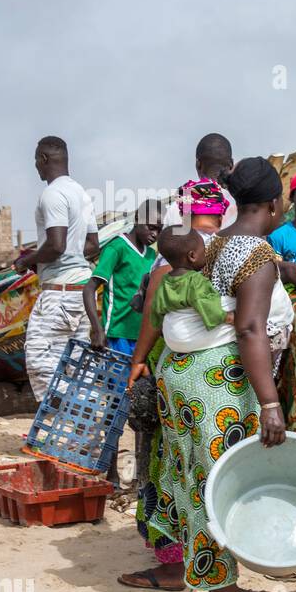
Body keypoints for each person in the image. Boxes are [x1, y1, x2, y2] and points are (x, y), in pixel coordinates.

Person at [132, 157, 296, 592]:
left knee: (196, 480)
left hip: (180, 373)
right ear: (273, 202)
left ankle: (221, 586)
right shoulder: (256, 255)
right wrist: (269, 402)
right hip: (216, 383)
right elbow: (249, 329)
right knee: (220, 487)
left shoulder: (212, 241)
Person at [17, 136, 97, 400]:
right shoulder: (82, 194)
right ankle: (85, 436)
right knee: (80, 368)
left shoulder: (52, 194)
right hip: (83, 292)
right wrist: (43, 257)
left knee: (41, 363)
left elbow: (56, 245)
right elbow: (91, 245)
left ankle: (56, 427)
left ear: (43, 159)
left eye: (36, 161)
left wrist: (26, 261)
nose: (36, 167)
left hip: (59, 293)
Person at [83, 199, 162, 357]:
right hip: (117, 333)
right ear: (138, 219)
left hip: (142, 334)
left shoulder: (152, 255)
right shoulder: (117, 247)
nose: (155, 234)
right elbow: (89, 289)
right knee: (119, 381)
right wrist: (98, 330)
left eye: (159, 230)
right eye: (151, 227)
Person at [147, 228, 232, 336]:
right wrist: (229, 317)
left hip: (171, 336)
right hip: (190, 336)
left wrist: (159, 326)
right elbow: (210, 310)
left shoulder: (165, 281)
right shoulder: (195, 281)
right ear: (192, 256)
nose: (206, 252)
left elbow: (156, 310)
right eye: (204, 249)